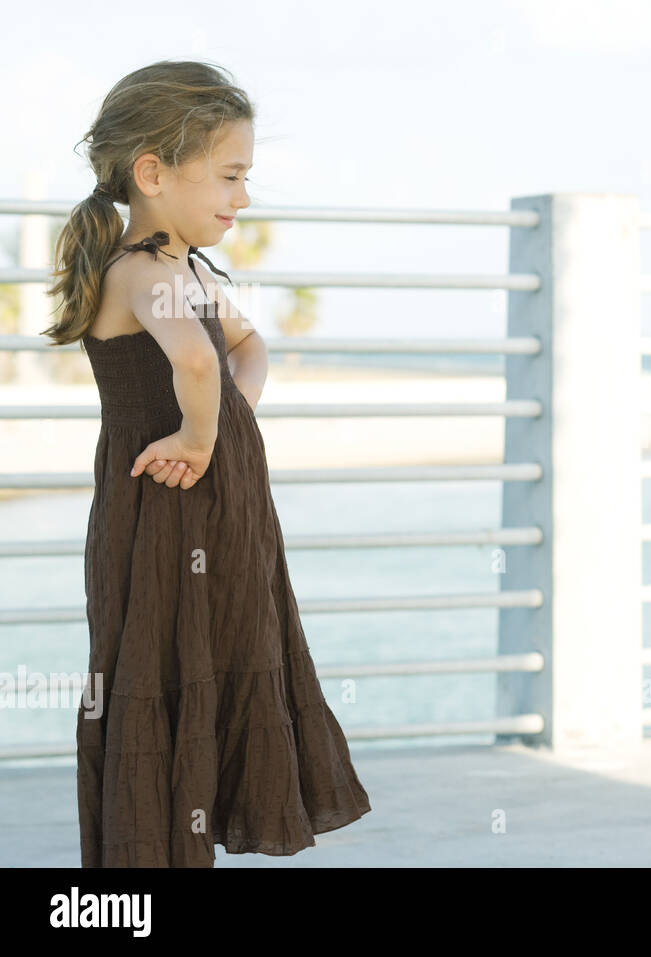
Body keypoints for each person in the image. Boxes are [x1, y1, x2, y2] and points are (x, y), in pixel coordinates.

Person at [44, 59, 371, 867]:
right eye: (230, 175)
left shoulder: (179, 267)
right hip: (168, 510)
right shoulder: (145, 272)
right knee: (182, 659)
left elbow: (242, 352)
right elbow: (201, 360)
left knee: (180, 664)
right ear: (151, 172)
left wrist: (220, 427)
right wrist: (200, 437)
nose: (244, 197)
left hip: (209, 510)